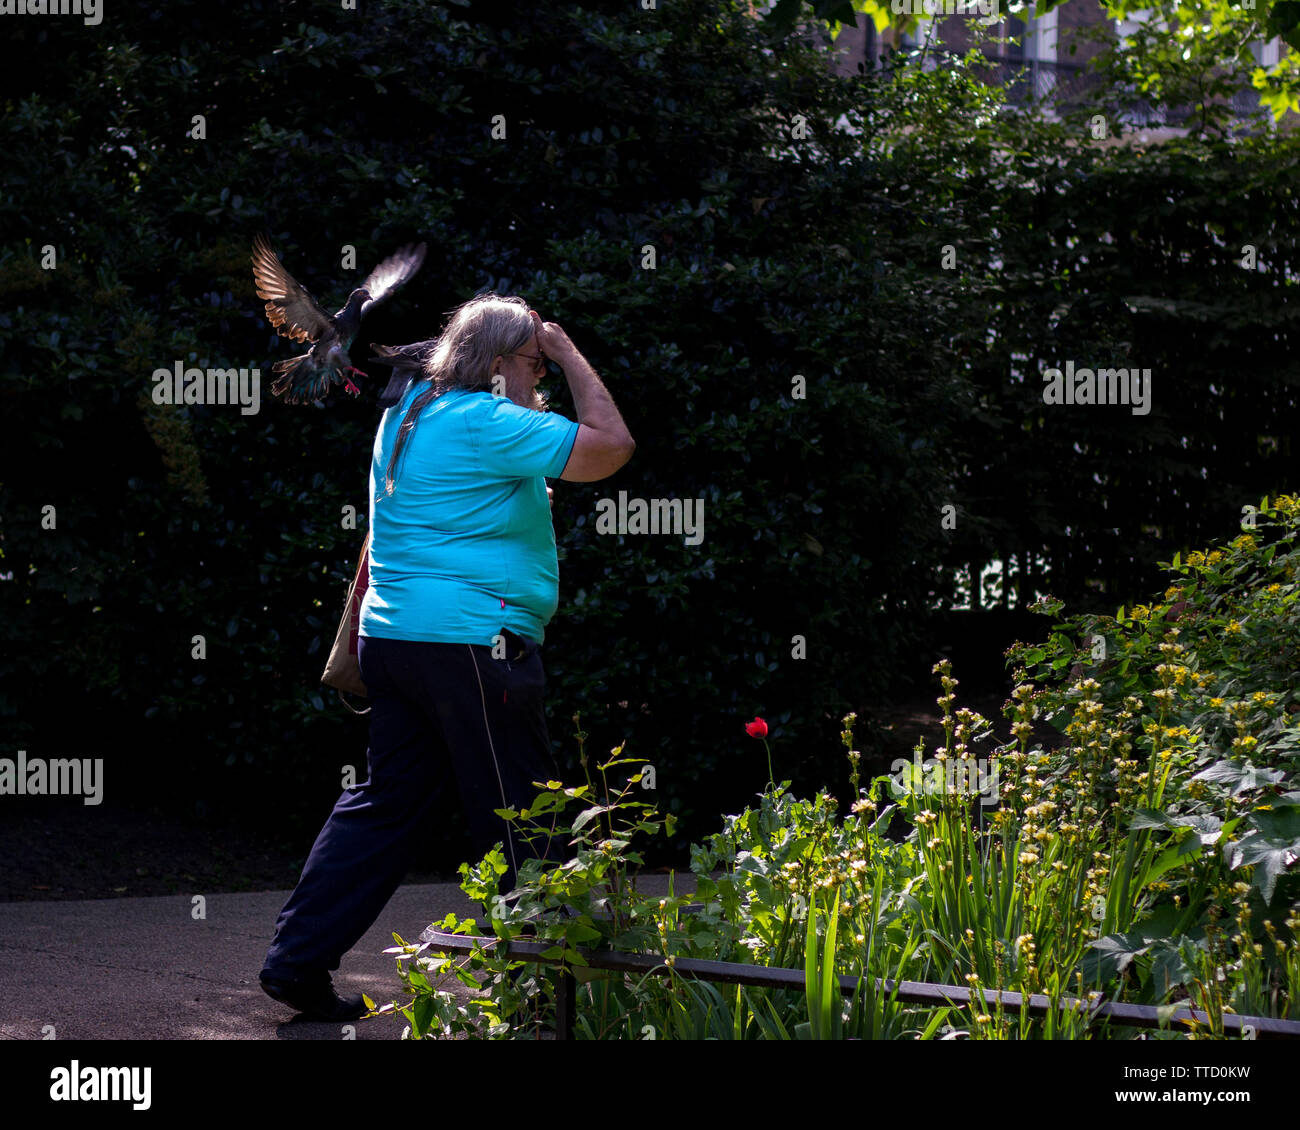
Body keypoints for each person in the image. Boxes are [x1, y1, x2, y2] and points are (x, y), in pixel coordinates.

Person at [259, 297, 635, 1021]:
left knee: (385, 806)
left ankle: (296, 960)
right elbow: (611, 443)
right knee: (524, 812)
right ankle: (541, 996)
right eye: (533, 365)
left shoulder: (408, 415)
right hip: (473, 646)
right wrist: (568, 349)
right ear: (499, 366)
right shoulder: (486, 419)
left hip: (395, 644)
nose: (541, 378)